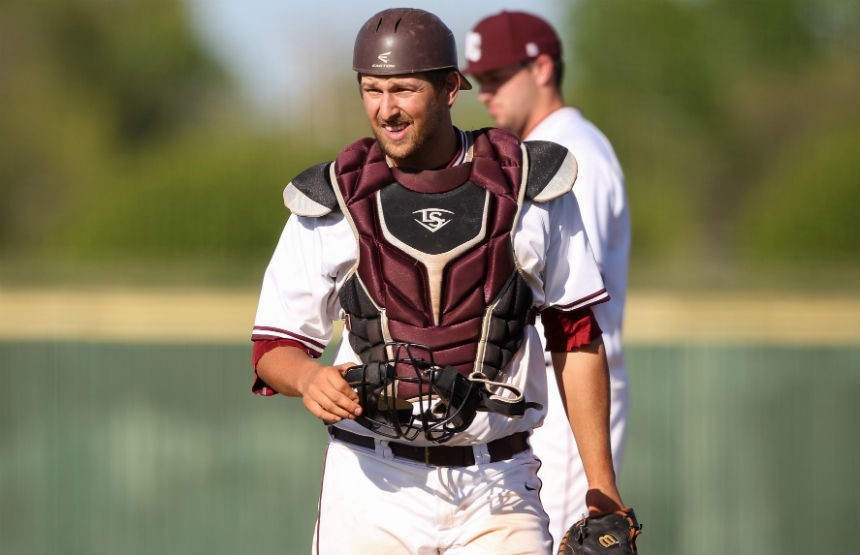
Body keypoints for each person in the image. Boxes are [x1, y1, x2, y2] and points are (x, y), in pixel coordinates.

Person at [251, 8, 627, 555]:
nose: (386, 109)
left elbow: (575, 335)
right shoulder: (331, 198)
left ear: (451, 87)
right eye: (372, 89)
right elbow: (272, 347)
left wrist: (603, 488)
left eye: (403, 89)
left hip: (496, 482)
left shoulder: (529, 188)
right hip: (370, 480)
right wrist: (308, 378)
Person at [463, 10, 632, 552]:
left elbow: (575, 304)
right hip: (544, 402)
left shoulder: (571, 155)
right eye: (479, 80)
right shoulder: (543, 153)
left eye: (496, 76)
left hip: (568, 408)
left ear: (540, 67)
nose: (484, 92)